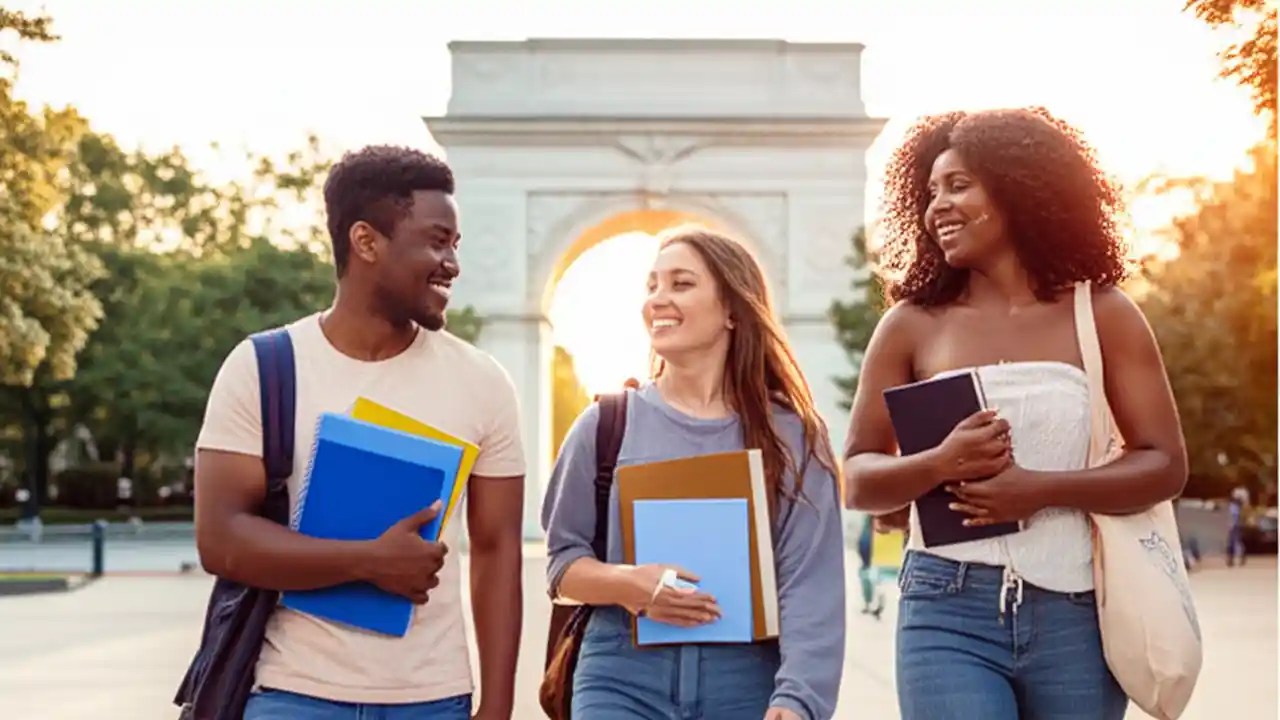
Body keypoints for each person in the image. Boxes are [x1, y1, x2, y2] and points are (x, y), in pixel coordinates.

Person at [842, 107, 1188, 720]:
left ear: (1021, 189)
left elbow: (1164, 464)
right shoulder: (911, 325)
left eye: (959, 185)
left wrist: (1040, 492)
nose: (938, 206)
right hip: (944, 609)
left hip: (1076, 614)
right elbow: (860, 478)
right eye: (930, 192)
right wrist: (937, 463)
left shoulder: (1102, 313)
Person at [194, 145, 526, 720]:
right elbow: (220, 540)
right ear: (366, 242)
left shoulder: (482, 382)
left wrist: (498, 705)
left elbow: (498, 551)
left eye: (456, 244)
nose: (452, 263)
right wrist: (368, 561)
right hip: (291, 693)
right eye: (437, 240)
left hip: (433, 699)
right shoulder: (264, 368)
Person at [541, 226, 847, 720]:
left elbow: (811, 583)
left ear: (732, 309)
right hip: (620, 677)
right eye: (652, 286)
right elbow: (561, 567)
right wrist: (629, 584)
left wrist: (798, 699)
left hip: (747, 682)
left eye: (681, 284)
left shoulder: (794, 439)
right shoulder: (605, 426)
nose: (658, 299)